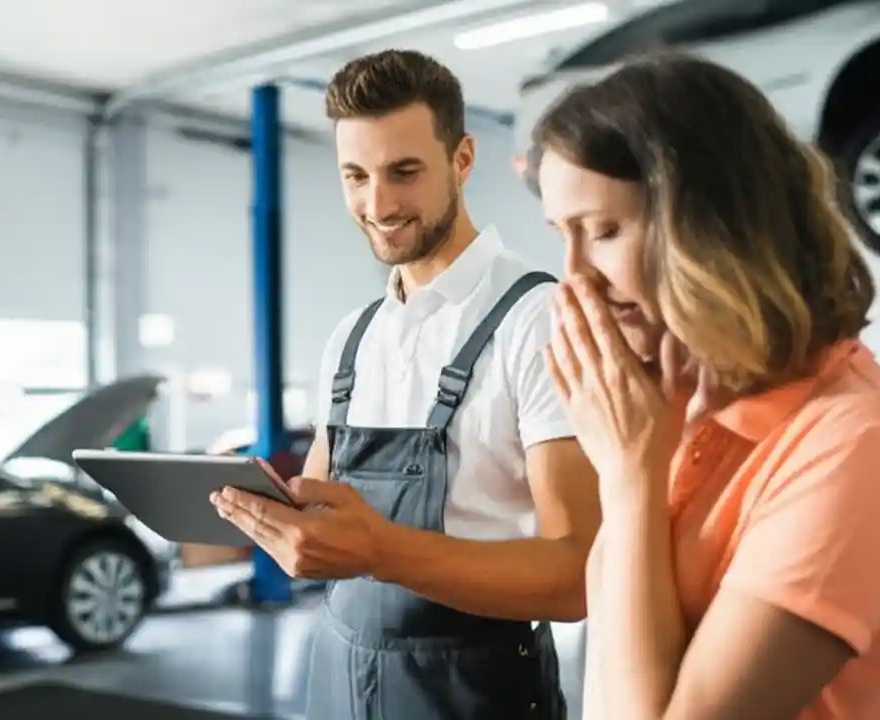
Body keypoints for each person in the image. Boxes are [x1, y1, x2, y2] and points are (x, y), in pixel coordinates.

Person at [524, 52, 880, 719]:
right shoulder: (672, 408)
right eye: (562, 237)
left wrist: (632, 479)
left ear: (713, 229)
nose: (574, 276)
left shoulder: (860, 445)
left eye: (604, 232)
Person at [210, 48, 600, 719]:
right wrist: (260, 513)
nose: (377, 203)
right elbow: (323, 509)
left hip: (475, 692)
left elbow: (575, 576)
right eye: (355, 175)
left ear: (463, 159)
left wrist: (381, 551)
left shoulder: (539, 320)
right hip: (338, 673)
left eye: (404, 172)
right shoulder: (353, 338)